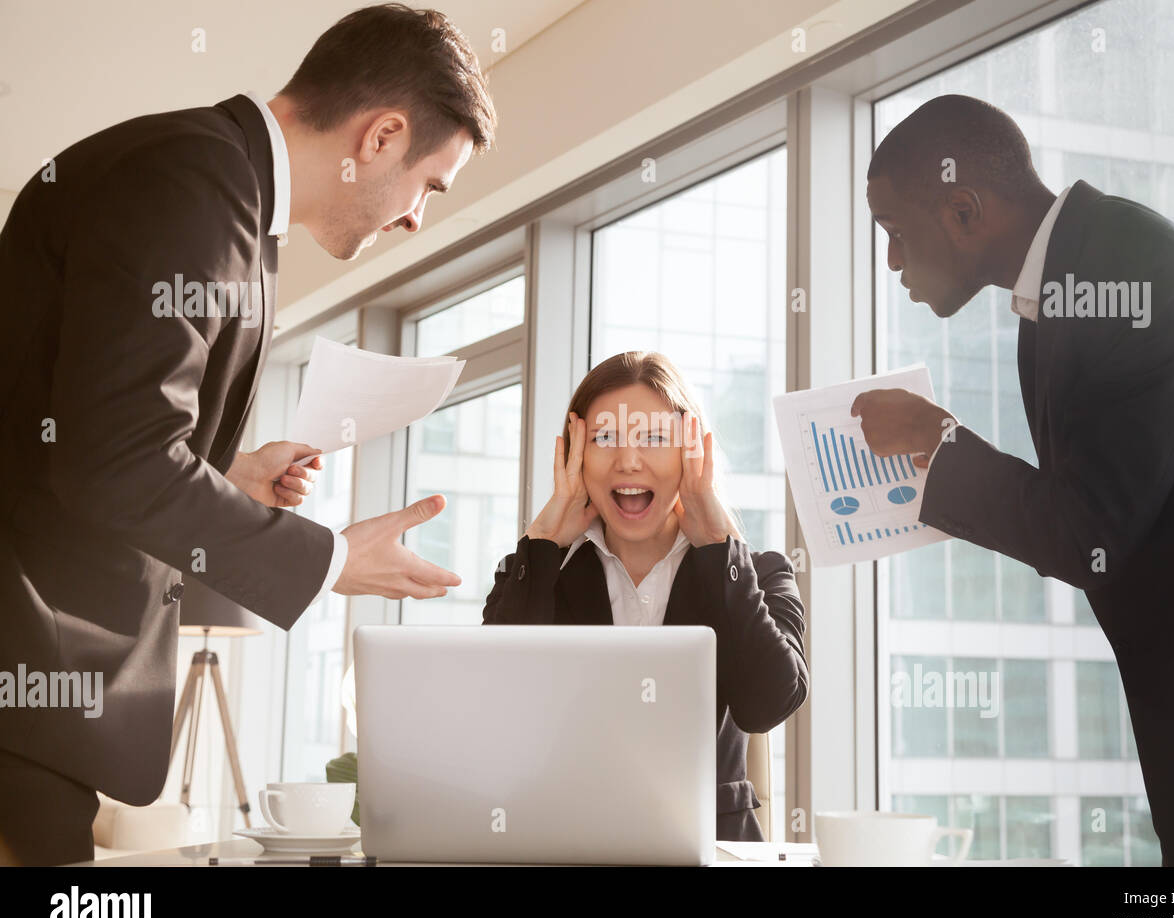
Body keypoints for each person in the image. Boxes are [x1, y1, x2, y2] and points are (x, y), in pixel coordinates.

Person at [0, 4, 496, 865]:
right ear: (380, 136)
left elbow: (79, 422)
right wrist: (332, 560)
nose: (419, 218)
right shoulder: (195, 183)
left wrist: (221, 469)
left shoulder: (211, 182)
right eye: (432, 184)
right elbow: (114, 462)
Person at [854, 93, 1174, 865]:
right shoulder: (1059, 294)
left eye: (895, 233)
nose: (891, 262)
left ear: (962, 210)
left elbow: (1088, 531)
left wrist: (938, 441)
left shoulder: (1131, 268)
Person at [483, 351, 809, 840]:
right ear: (574, 454)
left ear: (691, 452)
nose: (628, 460)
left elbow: (768, 704)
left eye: (654, 438)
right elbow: (497, 704)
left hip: (711, 848)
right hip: (566, 843)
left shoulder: (754, 574)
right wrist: (545, 535)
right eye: (604, 438)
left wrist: (721, 548)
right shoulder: (536, 574)